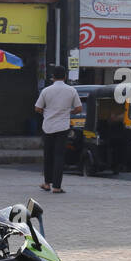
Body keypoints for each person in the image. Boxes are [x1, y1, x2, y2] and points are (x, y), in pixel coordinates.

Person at [34, 66, 83, 194]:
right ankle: (57, 186)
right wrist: (68, 112)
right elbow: (79, 108)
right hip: (63, 127)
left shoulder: (46, 91)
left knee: (48, 155)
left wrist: (47, 112)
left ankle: (46, 183)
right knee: (59, 156)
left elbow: (37, 108)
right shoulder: (71, 90)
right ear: (65, 76)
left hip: (48, 126)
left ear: (53, 77)